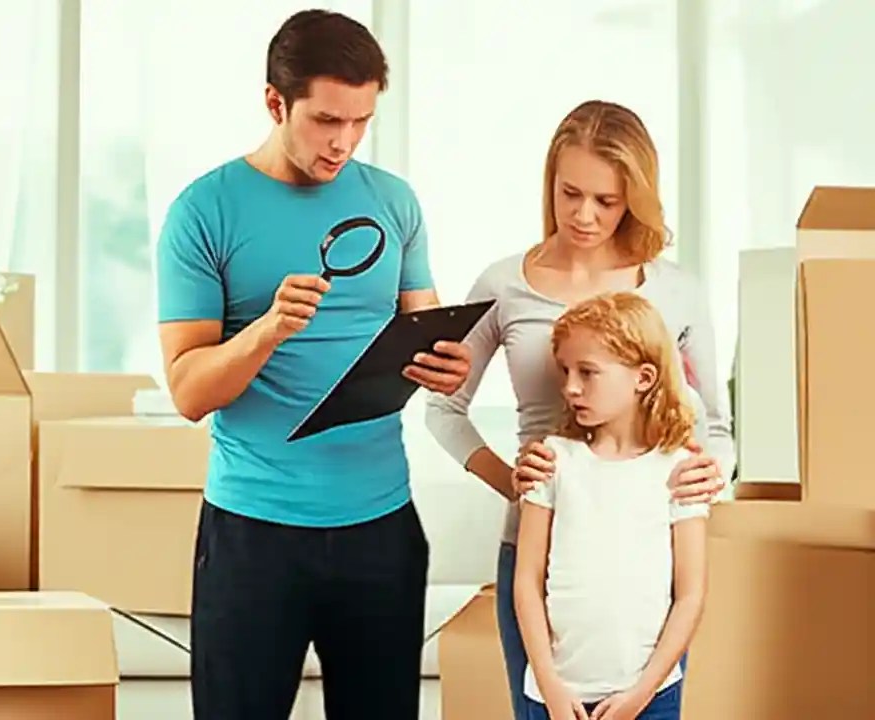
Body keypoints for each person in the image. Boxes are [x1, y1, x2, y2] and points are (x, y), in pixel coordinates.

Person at [154, 10, 471, 720]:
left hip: (381, 527)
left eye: (361, 121)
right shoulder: (203, 212)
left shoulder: (394, 202)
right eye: (327, 120)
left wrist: (449, 365)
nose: (344, 141)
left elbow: (426, 324)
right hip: (253, 532)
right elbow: (186, 391)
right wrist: (264, 332)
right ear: (276, 102)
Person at [424, 99, 732, 719]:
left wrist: (714, 469)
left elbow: (717, 425)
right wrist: (514, 484)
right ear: (550, 183)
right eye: (570, 193)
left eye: (607, 201)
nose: (584, 215)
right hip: (540, 547)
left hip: (648, 554)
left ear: (634, 198)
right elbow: (443, 410)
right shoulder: (503, 285)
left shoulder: (676, 291)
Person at [514, 292, 708, 720]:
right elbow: (526, 582)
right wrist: (550, 689)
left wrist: (642, 692)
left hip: (649, 696)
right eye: (565, 371)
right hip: (554, 694)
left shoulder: (679, 470)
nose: (570, 387)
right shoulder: (553, 460)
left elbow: (690, 594)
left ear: (643, 378)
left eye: (588, 372)